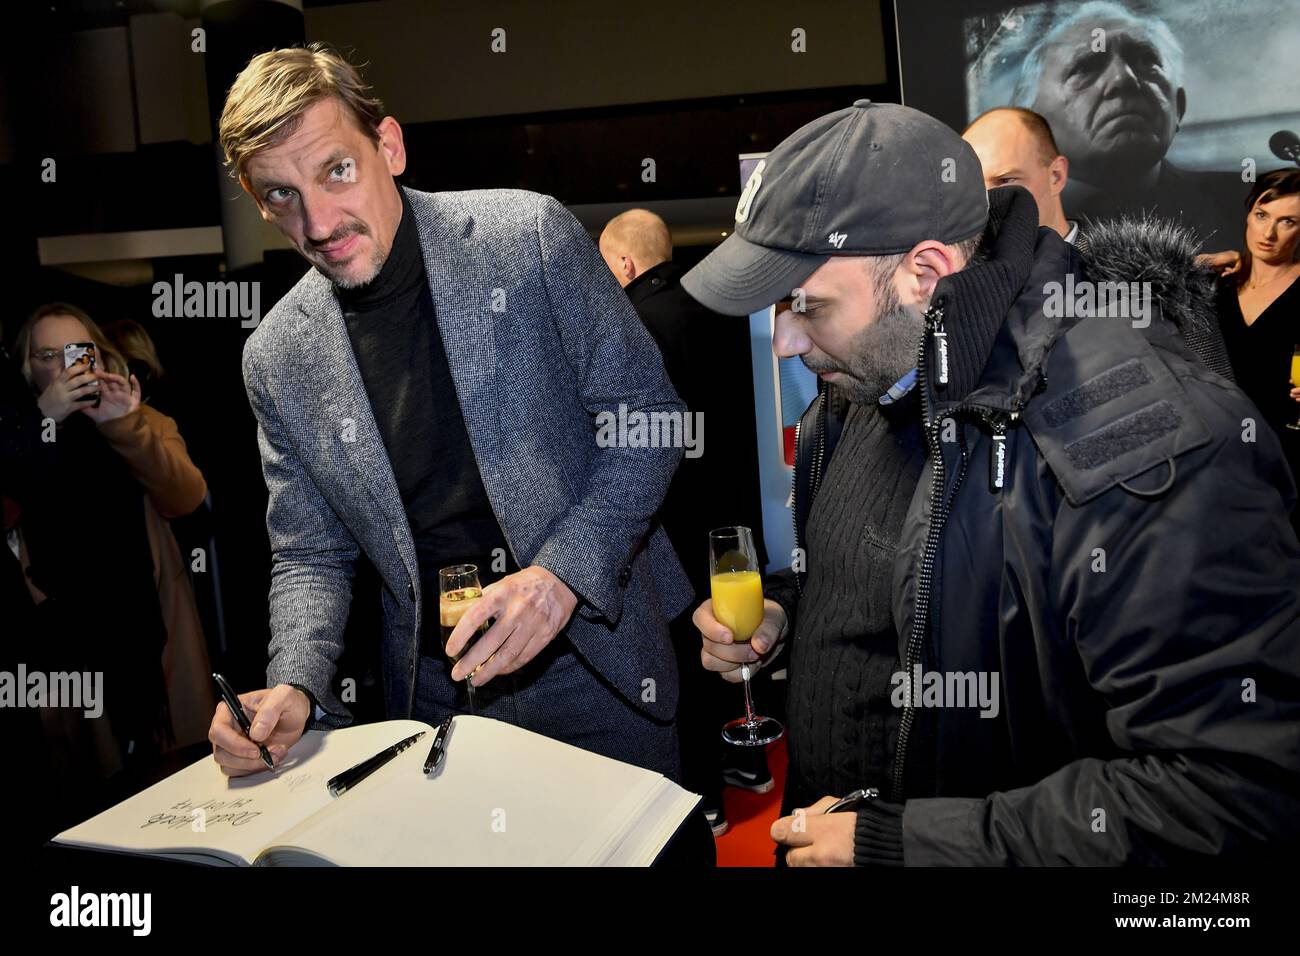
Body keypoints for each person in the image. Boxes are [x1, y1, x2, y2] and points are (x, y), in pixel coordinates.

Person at [685, 99, 1300, 864]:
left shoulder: (1138, 433)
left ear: (925, 274)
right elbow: (891, 583)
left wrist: (906, 846)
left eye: (807, 305)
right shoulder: (862, 383)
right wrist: (782, 610)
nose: (783, 341)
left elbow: (1230, 792)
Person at [207, 44, 692, 783]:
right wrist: (295, 684)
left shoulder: (527, 237)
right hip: (439, 697)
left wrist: (558, 577)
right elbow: (309, 552)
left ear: (389, 146)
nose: (318, 219)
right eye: (280, 195)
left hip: (595, 660)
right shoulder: (275, 355)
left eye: (336, 170)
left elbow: (649, 421)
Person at [599, 208, 771, 834]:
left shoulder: (632, 324)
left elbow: (640, 446)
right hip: (737, 511)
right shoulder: (725, 312)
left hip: (671, 521)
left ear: (622, 263)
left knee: (688, 653)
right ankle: (751, 766)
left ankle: (708, 800)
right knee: (739, 632)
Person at [8, 303, 209, 830]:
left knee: (173, 790)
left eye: (78, 352)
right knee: (88, 802)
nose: (65, 366)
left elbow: (186, 497)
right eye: (47, 355)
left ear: (100, 356)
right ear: (28, 367)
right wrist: (43, 422)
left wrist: (124, 428)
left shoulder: (141, 419)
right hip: (67, 649)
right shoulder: (18, 434)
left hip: (152, 640)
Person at [1007, 1, 1241, 245]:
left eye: (1146, 60)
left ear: (1178, 108)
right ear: (1032, 123)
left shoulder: (1249, 205)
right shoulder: (999, 228)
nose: (1123, 79)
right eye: (1086, 66)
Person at [1215, 169, 1300, 489]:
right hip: (1216, 451)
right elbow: (1132, 292)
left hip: (1286, 456)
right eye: (1262, 215)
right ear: (1249, 214)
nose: (1270, 233)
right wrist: (1204, 261)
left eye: (1288, 222)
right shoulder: (1214, 283)